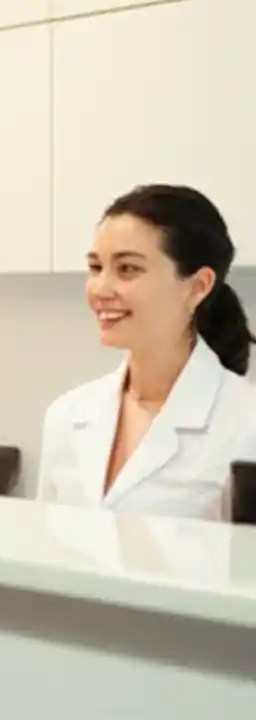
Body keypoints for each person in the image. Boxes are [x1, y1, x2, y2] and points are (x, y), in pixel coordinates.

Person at [36, 184, 256, 521]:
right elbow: (42, 546)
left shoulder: (245, 422)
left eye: (128, 269)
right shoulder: (66, 415)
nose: (100, 288)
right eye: (96, 267)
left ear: (198, 286)